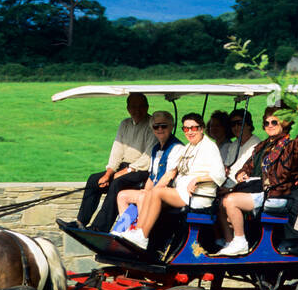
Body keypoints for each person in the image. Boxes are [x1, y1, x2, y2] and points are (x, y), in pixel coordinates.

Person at [214, 100, 298, 257]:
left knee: (230, 201)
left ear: (284, 123)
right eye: (266, 122)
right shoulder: (263, 146)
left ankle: (241, 241)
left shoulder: (289, 145)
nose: (269, 125)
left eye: (274, 122)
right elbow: (247, 166)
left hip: (278, 193)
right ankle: (230, 242)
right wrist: (241, 174)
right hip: (259, 190)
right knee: (221, 200)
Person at [115, 112, 225, 249]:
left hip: (198, 195)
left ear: (201, 128)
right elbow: (172, 171)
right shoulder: (188, 147)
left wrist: (198, 179)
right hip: (182, 191)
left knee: (157, 193)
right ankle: (130, 231)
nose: (190, 132)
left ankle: (142, 236)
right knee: (143, 194)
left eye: (194, 128)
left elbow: (220, 174)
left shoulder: (209, 147)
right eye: (186, 129)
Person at [76, 92, 156, 229]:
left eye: (141, 107)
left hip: (141, 170)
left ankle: (99, 227)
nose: (137, 110)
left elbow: (147, 158)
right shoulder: (125, 124)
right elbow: (117, 151)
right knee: (94, 179)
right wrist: (108, 174)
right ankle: (80, 222)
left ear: (147, 107)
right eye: (133, 107)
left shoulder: (152, 125)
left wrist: (125, 171)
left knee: (117, 183)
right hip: (124, 168)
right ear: (128, 108)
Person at [221, 107, 261, 189]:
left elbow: (250, 175)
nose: (236, 127)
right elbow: (227, 167)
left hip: (243, 186)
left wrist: (229, 189)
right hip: (228, 183)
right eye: (233, 124)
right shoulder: (234, 145)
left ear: (249, 125)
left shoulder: (256, 145)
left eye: (239, 123)